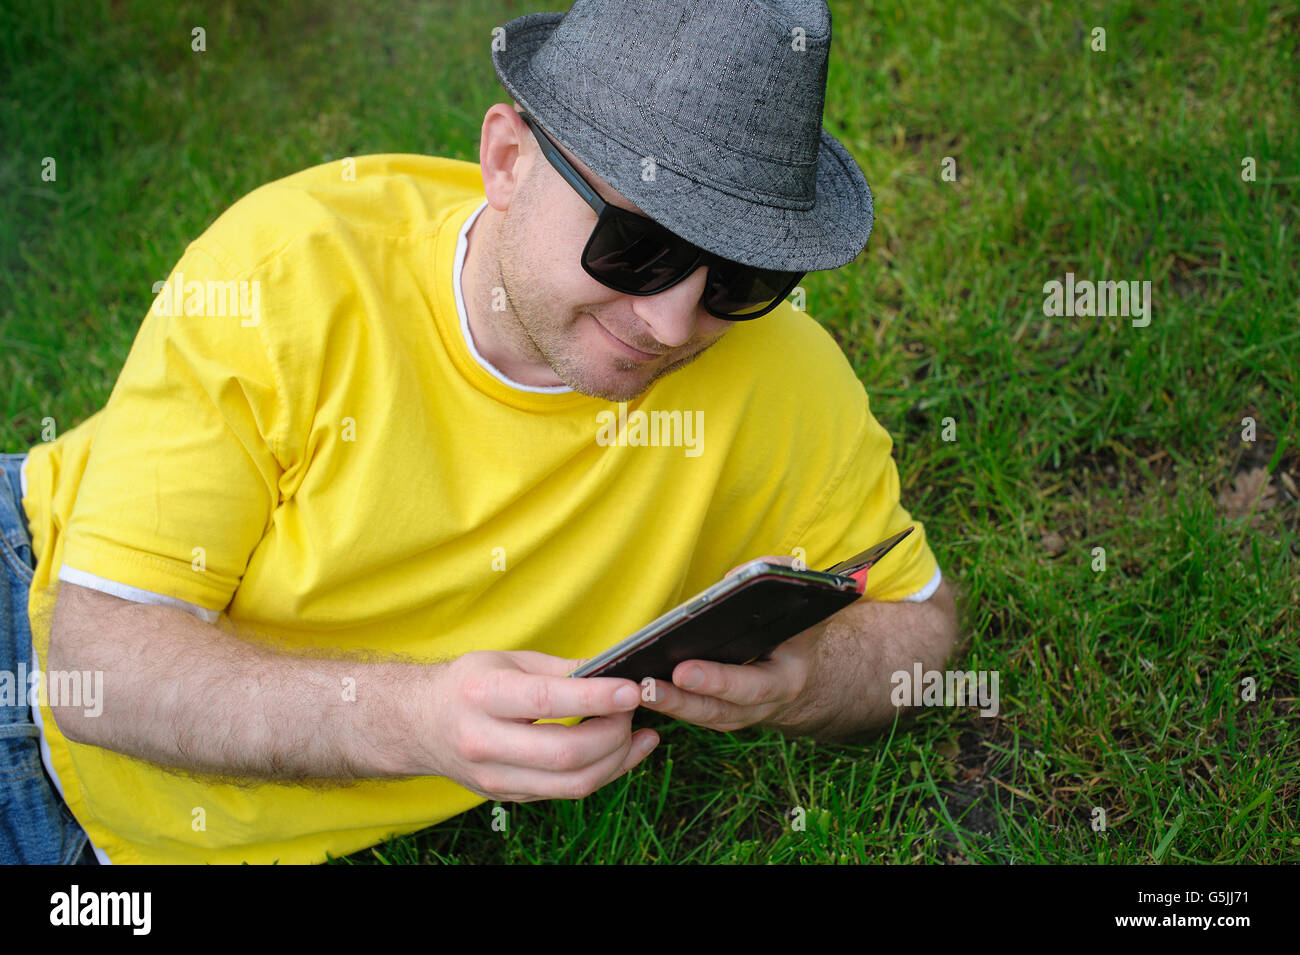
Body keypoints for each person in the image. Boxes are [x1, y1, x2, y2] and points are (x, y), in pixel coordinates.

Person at [2, 0, 957, 865]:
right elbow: (97, 663)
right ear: (508, 160)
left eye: (741, 280)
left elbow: (920, 624)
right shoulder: (282, 276)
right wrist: (411, 719)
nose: (673, 324)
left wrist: (802, 680)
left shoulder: (779, 372)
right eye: (637, 248)